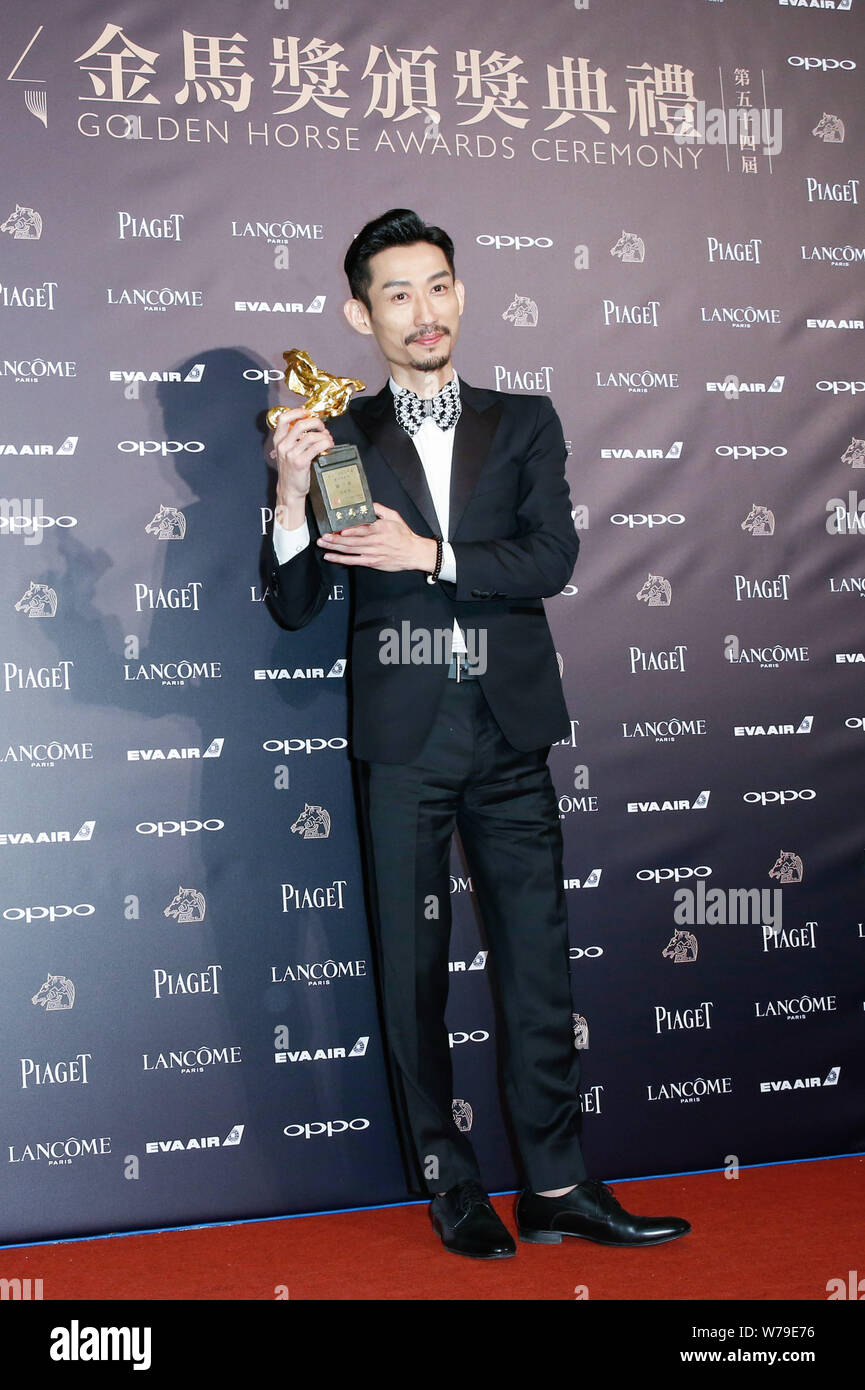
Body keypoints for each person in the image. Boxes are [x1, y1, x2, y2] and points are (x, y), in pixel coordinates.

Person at [266, 208, 689, 1258]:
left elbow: (548, 559)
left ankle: (556, 1182)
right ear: (357, 313)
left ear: (461, 293)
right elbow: (290, 601)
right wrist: (286, 489)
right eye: (397, 293)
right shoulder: (337, 432)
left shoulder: (525, 418)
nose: (424, 309)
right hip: (403, 740)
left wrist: (430, 551)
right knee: (410, 970)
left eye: (439, 284)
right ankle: (449, 1182)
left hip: (510, 731)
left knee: (538, 964)